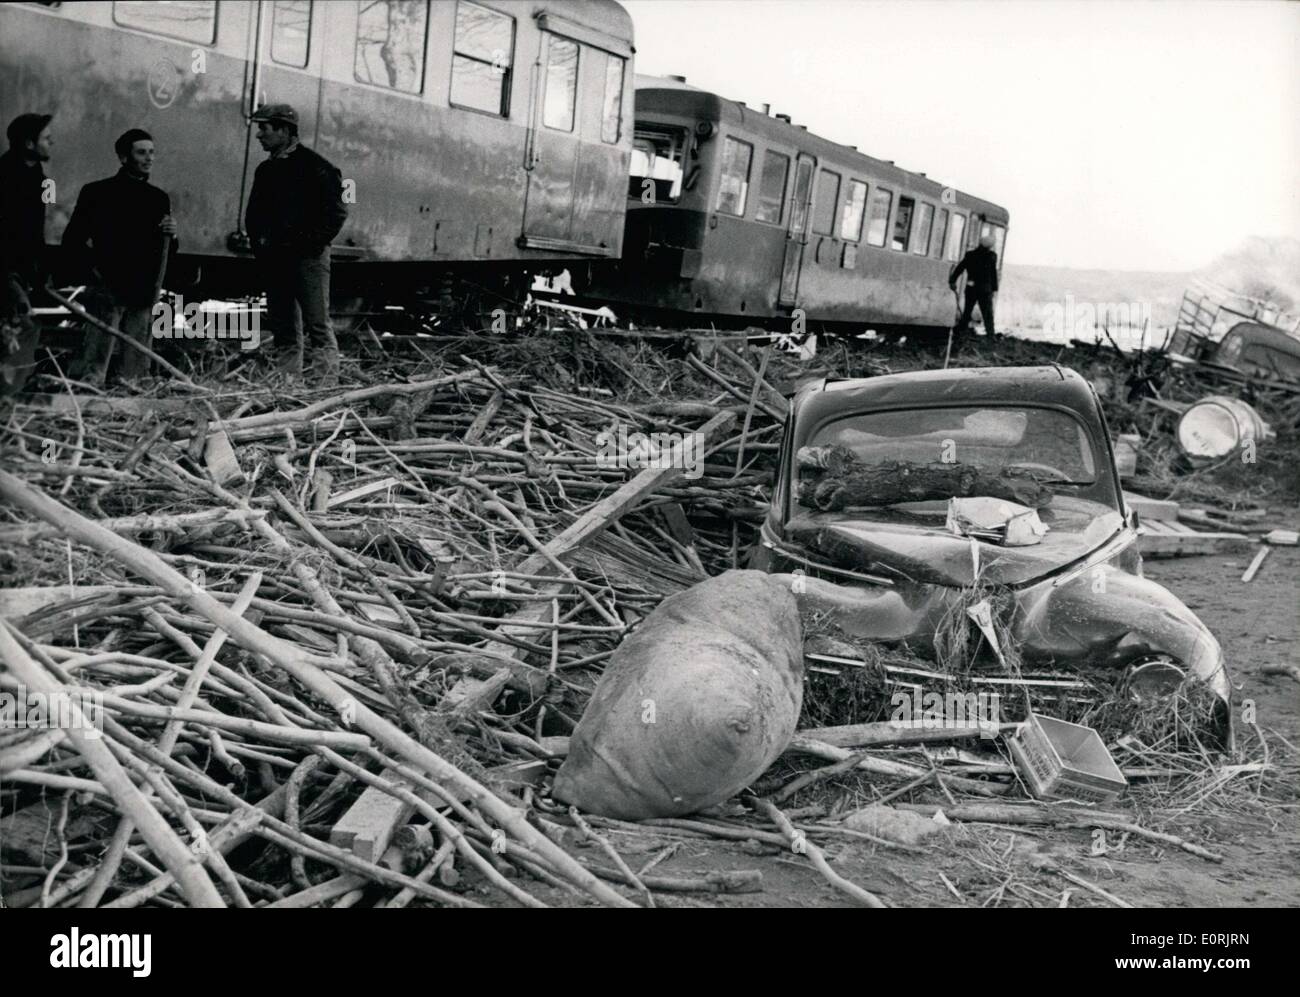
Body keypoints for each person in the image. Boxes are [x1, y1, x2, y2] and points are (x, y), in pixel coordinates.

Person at [62, 128, 178, 386]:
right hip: (107, 285)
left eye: (152, 153)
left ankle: (130, 398)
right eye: (141, 153)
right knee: (96, 354)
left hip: (142, 287)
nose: (149, 158)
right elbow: (73, 239)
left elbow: (166, 249)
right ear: (124, 157)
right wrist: (93, 272)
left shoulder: (158, 198)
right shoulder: (97, 193)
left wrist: (172, 234)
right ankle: (88, 393)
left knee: (135, 362)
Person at [244, 103, 347, 386]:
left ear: (284, 130)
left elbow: (337, 213)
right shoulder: (265, 170)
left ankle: (325, 390)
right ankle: (287, 387)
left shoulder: (318, 168)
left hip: (308, 260)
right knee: (284, 328)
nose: (259, 135)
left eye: (264, 128)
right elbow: (253, 216)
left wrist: (309, 246)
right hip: (276, 261)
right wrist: (261, 248)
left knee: (318, 326)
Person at [0, 113, 53, 396]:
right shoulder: (5, 175)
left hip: (20, 270)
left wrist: (39, 271)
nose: (51, 142)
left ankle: (10, 391)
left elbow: (34, 232)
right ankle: (7, 395)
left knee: (19, 328)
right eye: (46, 138)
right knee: (23, 327)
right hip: (5, 268)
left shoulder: (37, 178)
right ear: (29, 144)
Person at [949, 229, 1000, 337]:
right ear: (989, 246)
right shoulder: (992, 256)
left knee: (967, 310)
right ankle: (990, 335)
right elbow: (993, 273)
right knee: (987, 314)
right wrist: (995, 289)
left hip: (971, 287)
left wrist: (952, 281)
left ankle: (961, 330)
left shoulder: (970, 255)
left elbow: (960, 268)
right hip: (985, 289)